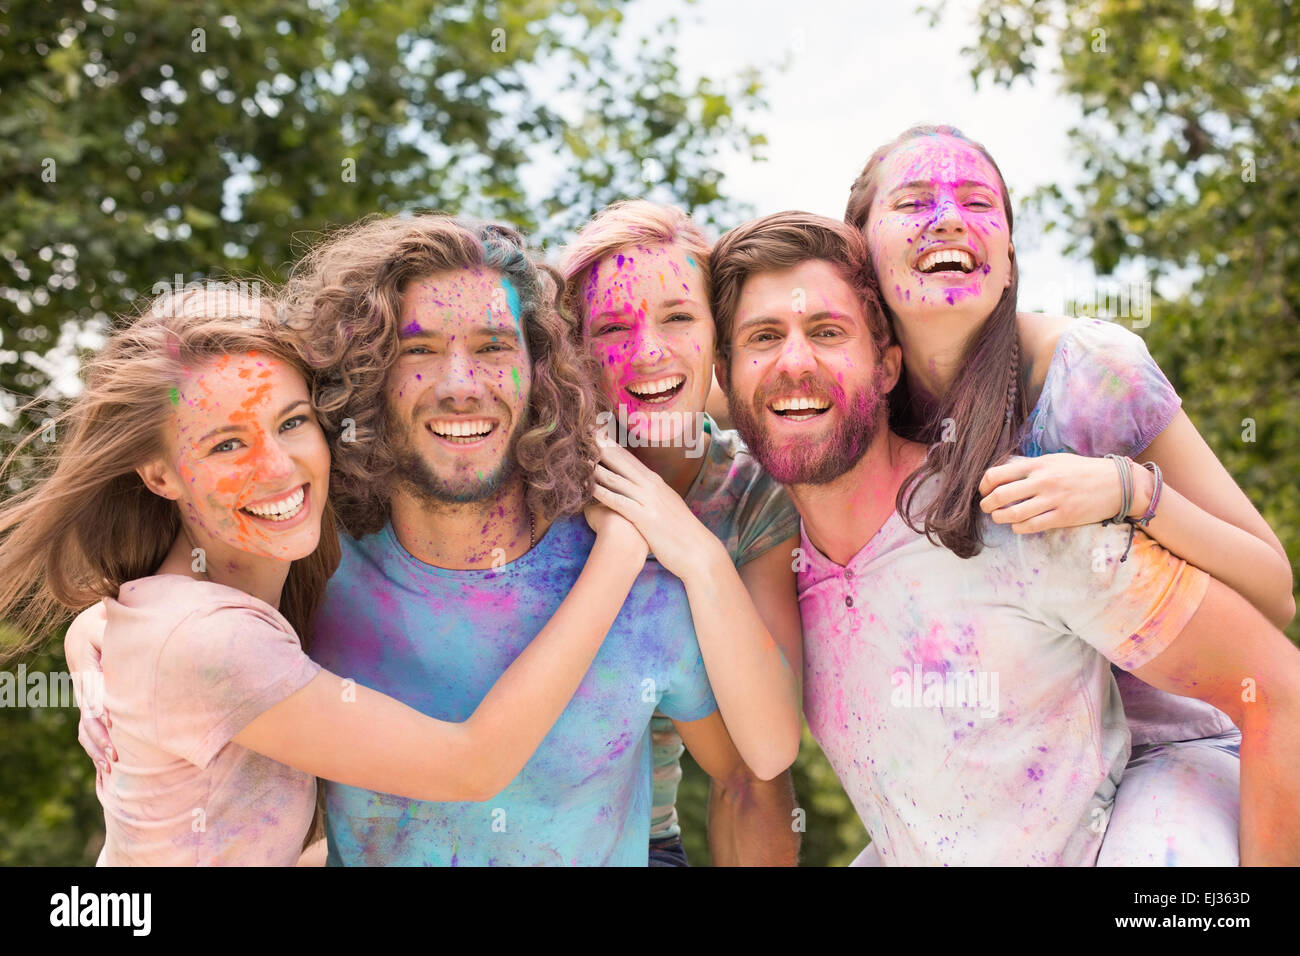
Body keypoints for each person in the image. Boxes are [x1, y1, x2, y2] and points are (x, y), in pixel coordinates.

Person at [707, 209, 1300, 865]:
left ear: (887, 366)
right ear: (724, 377)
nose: (795, 361)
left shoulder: (1020, 518)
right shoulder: (766, 559)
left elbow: (1277, 690)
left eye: (827, 332)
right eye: (764, 337)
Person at [7, 287, 650, 866]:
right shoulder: (213, 640)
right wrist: (621, 550)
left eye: (291, 423)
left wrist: (89, 632)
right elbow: (472, 766)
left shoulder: (196, 606)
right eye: (226, 444)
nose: (277, 468)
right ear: (159, 474)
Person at [841, 124, 1296, 864]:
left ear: (1009, 258)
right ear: (860, 251)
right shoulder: (852, 400)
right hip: (1010, 788)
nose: (949, 218)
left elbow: (1274, 593)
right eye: (914, 201)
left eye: (978, 203)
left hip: (1160, 754)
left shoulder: (1091, 374)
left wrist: (1127, 490)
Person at [278, 214, 760, 866]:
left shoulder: (648, 589)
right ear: (365, 374)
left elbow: (749, 776)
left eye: (493, 347)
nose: (460, 385)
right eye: (418, 350)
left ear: (543, 373)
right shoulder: (309, 572)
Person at [558, 200, 802, 867]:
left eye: (678, 317)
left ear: (718, 337)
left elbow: (766, 753)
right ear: (573, 351)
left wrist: (694, 552)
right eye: (613, 327)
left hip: (643, 843)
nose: (649, 352)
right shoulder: (533, 472)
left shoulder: (753, 491)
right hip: (485, 826)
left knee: (764, 778)